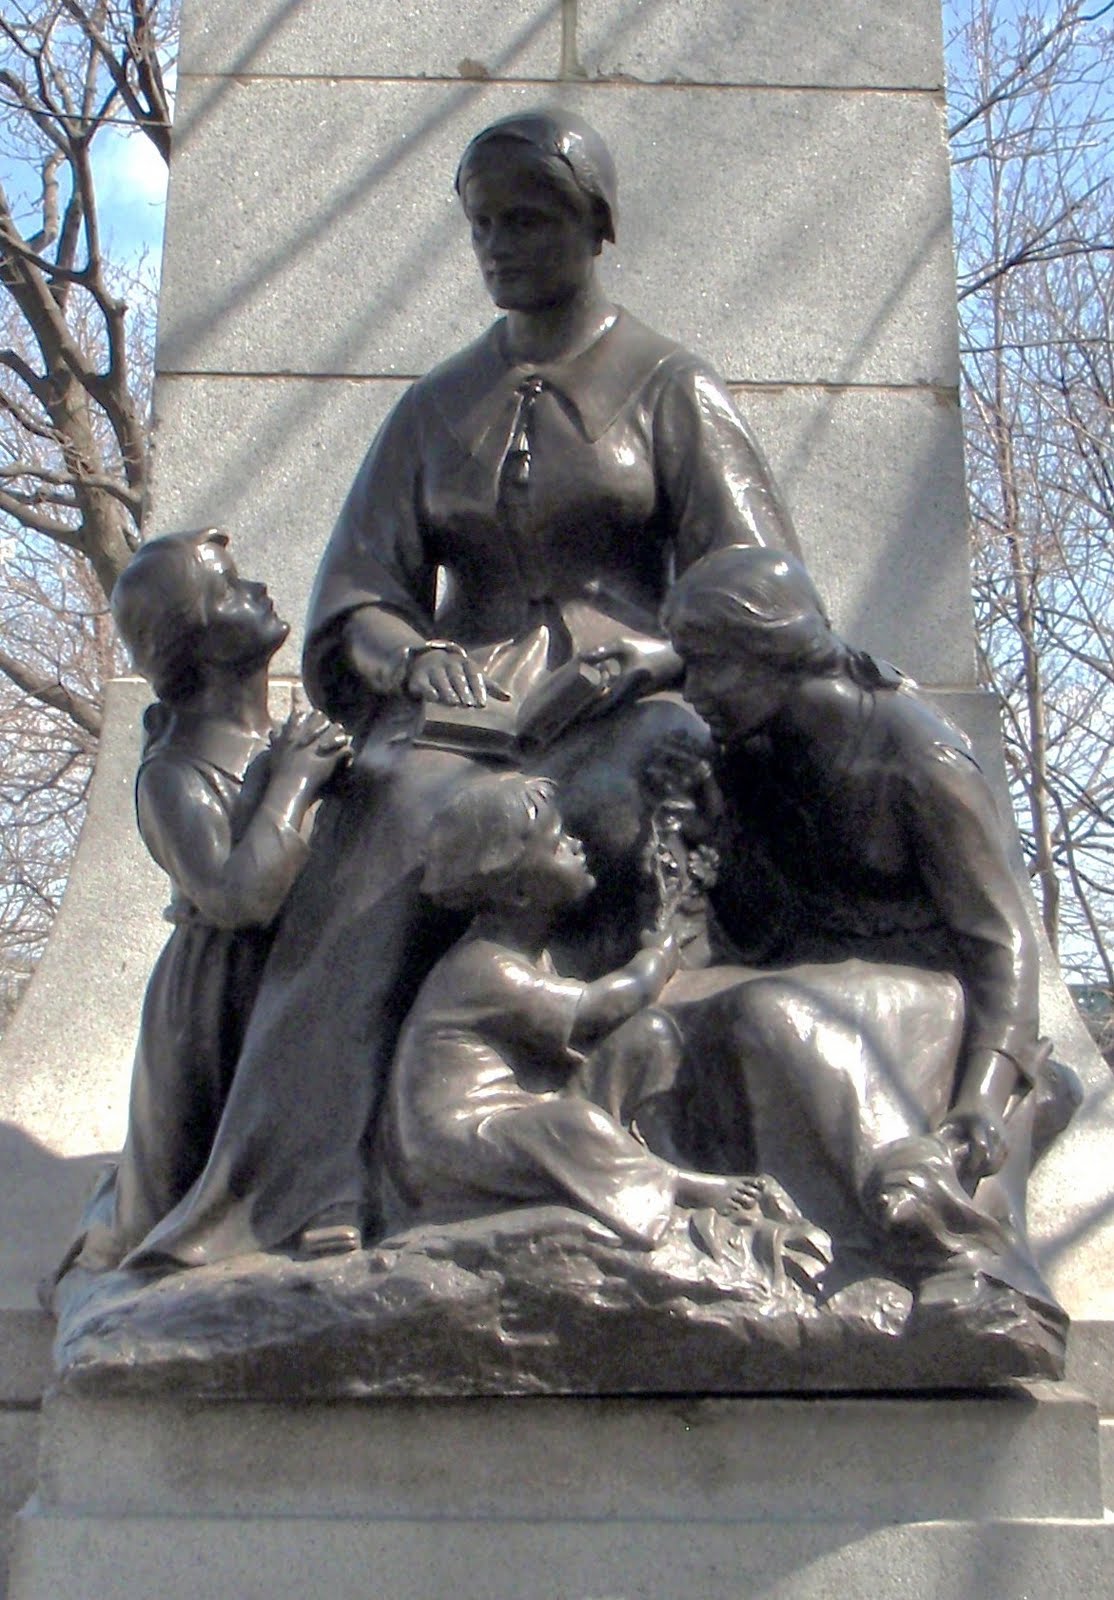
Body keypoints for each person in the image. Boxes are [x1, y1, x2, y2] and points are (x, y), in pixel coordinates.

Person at [125, 109, 800, 1267]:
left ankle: (557, 1136)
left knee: (618, 789)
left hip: (632, 702)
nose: (497, 244)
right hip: (454, 716)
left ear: (597, 225)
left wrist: (648, 658)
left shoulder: (669, 388)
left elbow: (759, 588)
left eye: (527, 219)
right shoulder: (434, 406)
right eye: (481, 223)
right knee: (377, 814)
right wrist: (403, 655)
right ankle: (301, 1184)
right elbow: (357, 594)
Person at [664, 544, 1068, 1300]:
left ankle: (875, 1248)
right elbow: (762, 924)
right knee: (657, 1010)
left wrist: (982, 1094)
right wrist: (708, 841)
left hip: (929, 996)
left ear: (773, 652)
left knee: (767, 1013)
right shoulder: (757, 753)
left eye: (708, 665)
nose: (692, 691)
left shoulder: (919, 757)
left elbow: (1002, 942)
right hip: (824, 977)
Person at [66, 530, 348, 1271]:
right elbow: (238, 895)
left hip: (298, 986)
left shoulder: (299, 740)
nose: (256, 591)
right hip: (218, 1010)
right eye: (227, 589)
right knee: (193, 1209)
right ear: (191, 640)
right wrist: (292, 784)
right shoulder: (172, 773)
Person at [386, 773, 757, 1246]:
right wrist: (656, 961)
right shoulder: (482, 969)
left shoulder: (529, 953)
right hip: (457, 1146)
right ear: (518, 892)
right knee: (572, 1125)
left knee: (650, 1038)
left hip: (519, 1113)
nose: (577, 845)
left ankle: (666, 1156)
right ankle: (676, 1187)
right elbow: (596, 1009)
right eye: (559, 844)